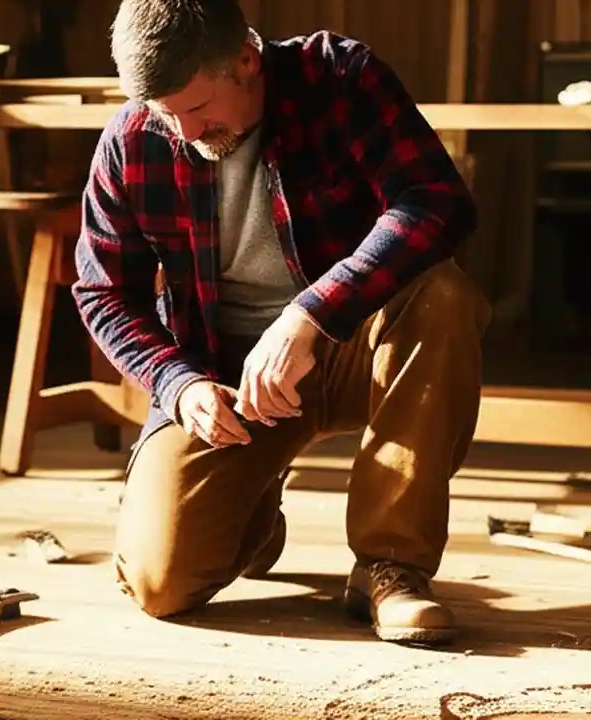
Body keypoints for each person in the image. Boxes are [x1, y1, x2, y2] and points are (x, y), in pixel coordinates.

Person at [71, 0, 491, 646]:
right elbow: (104, 293)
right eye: (163, 114)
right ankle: (253, 509)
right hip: (225, 378)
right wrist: (179, 384)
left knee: (444, 296)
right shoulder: (131, 139)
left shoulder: (340, 79)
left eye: (197, 108)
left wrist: (313, 313)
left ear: (246, 59)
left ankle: (390, 565)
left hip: (355, 341)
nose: (184, 133)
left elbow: (435, 201)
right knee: (160, 584)